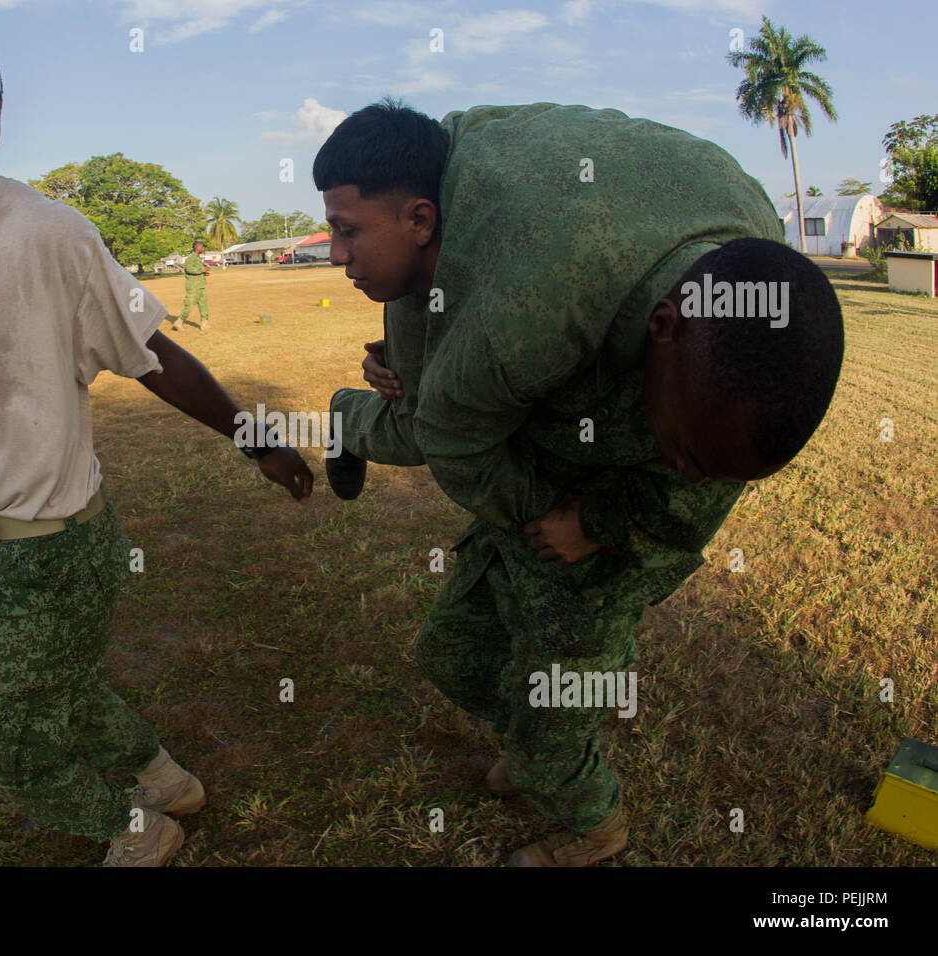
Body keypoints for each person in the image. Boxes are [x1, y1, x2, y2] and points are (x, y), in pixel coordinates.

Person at [314, 99, 844, 866]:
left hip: (601, 525)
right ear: (660, 331)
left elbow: (696, 489)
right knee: (452, 654)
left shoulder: (751, 283)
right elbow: (454, 441)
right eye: (686, 453)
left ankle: (589, 818)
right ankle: (546, 744)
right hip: (537, 453)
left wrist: (597, 524)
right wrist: (543, 518)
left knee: (559, 706)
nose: (695, 477)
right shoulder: (525, 314)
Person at [0, 29, 313, 868]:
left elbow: (150, 351)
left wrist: (255, 439)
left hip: (60, 544)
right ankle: (165, 783)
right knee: (63, 685)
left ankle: (140, 834)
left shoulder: (46, 233)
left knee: (4, 747)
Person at [174, 239, 211, 331]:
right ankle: (179, 322)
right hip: (193, 286)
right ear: (197, 248)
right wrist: (203, 270)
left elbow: (195, 270)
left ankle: (204, 323)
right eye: (202, 247)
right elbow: (190, 269)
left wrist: (204, 273)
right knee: (189, 305)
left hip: (200, 286)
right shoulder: (191, 258)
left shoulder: (198, 258)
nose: (203, 248)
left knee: (203, 304)